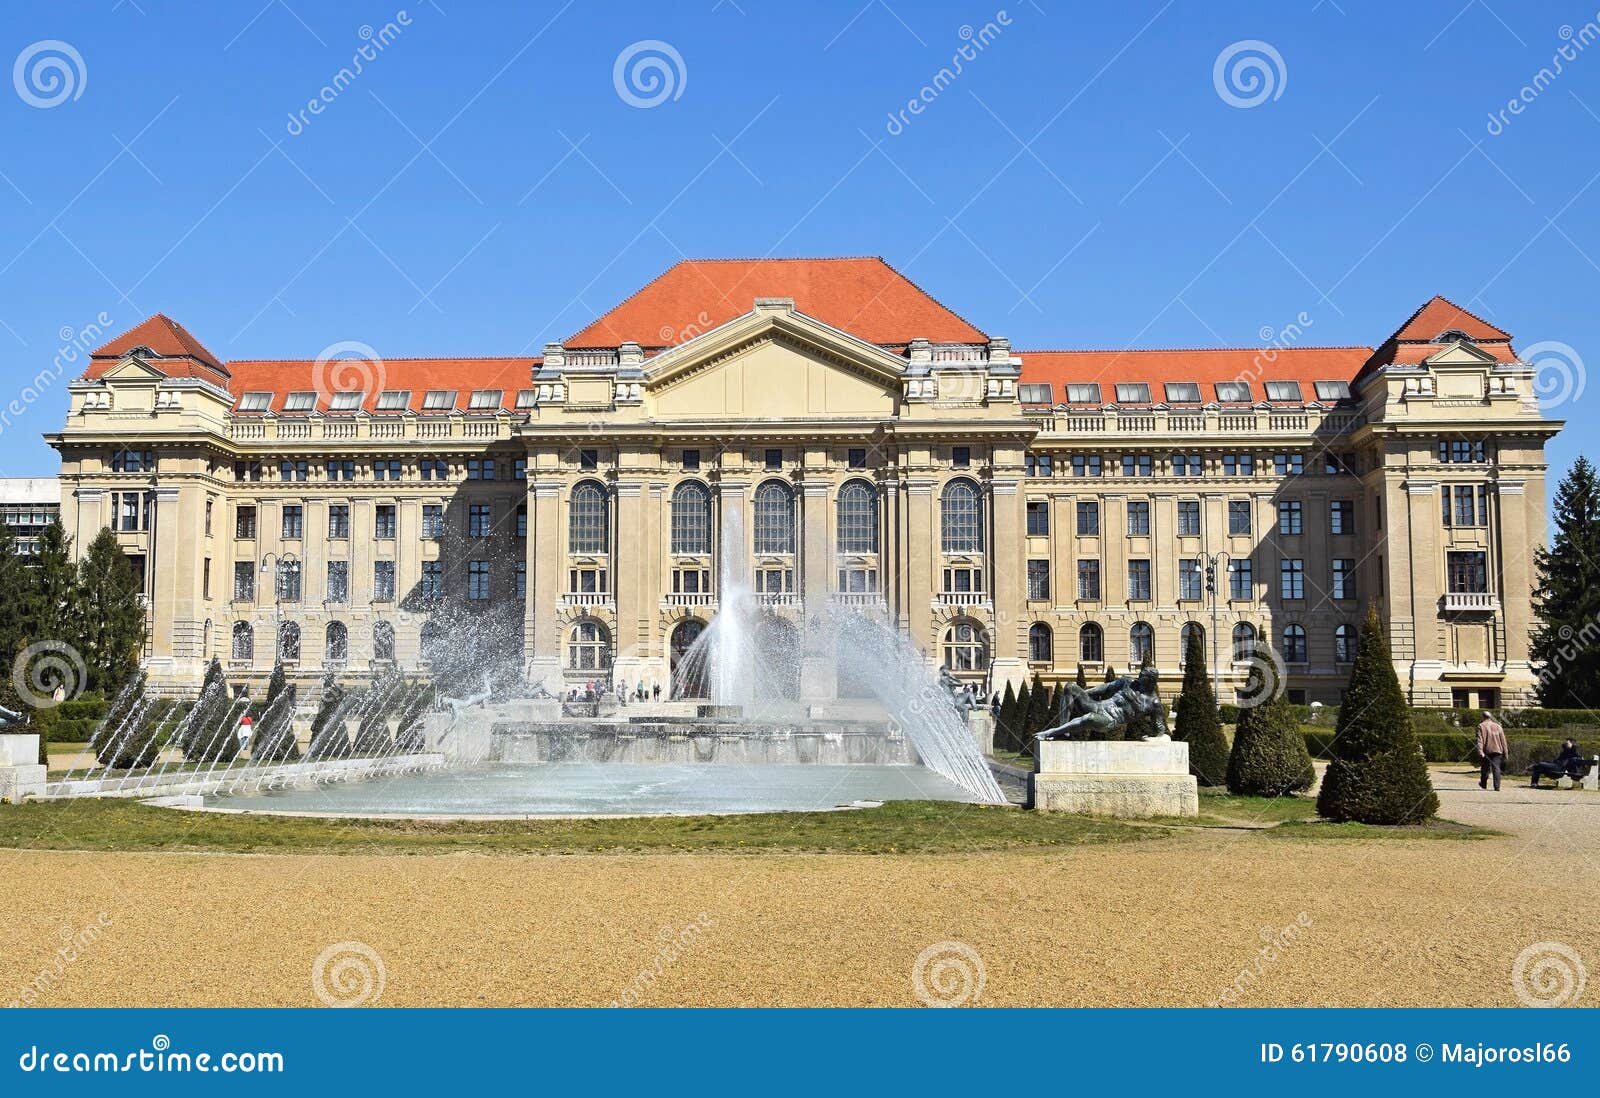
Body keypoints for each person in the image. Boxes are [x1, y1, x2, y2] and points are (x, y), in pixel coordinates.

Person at [1476, 710, 1508, 791]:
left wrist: (1480, 751)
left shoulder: (1481, 726)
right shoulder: (1498, 726)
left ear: (1483, 717)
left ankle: (1483, 785)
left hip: (1486, 750)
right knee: (1496, 768)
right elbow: (1503, 741)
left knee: (1485, 768)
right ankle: (1497, 787)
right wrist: (1505, 753)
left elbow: (1480, 740)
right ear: (1490, 717)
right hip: (1498, 750)